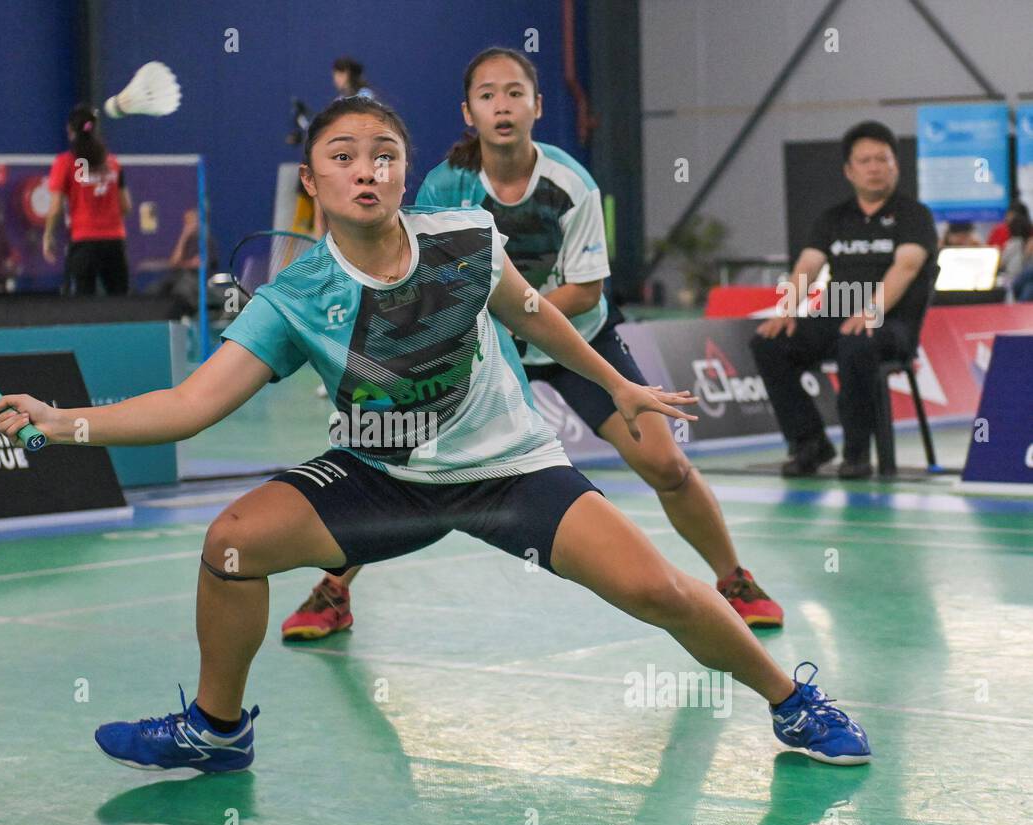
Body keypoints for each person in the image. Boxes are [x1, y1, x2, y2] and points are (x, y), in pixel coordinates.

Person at [0, 96, 872, 770]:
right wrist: (61, 424)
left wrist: (617, 384)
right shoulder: (293, 297)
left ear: (406, 172)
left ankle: (790, 699)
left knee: (660, 592)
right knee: (230, 544)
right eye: (343, 157)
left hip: (511, 468)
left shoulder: (465, 239)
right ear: (314, 182)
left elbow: (535, 318)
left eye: (384, 155)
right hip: (380, 477)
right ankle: (217, 731)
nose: (366, 170)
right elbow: (193, 404)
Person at [282, 48, 783, 642]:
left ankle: (733, 579)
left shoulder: (571, 183)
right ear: (468, 112)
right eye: (488, 95)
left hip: (574, 338)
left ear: (537, 107)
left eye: (515, 93)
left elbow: (585, 288)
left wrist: (508, 317)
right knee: (404, 458)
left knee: (665, 463)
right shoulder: (449, 185)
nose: (502, 105)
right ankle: (334, 589)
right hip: (477, 348)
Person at [751, 120, 937, 479]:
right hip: (836, 315)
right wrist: (786, 311)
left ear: (895, 166)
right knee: (768, 343)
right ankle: (810, 444)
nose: (874, 168)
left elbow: (908, 266)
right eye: (864, 161)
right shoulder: (833, 219)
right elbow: (807, 266)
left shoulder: (914, 216)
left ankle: (856, 453)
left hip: (890, 324)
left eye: (882, 159)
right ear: (849, 171)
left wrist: (872, 312)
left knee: (856, 342)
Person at [44, 105, 131, 295]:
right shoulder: (113, 162)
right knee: (122, 306)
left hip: (84, 242)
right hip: (115, 242)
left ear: (70, 130)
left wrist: (48, 235)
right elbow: (126, 206)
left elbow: (56, 207)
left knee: (82, 309)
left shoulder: (65, 162)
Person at [154, 208, 221, 321]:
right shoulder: (186, 241)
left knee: (181, 290)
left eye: (191, 222)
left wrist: (182, 264)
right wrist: (183, 237)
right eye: (186, 222)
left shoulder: (206, 241)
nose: (188, 226)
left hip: (197, 281)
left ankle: (181, 318)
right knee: (156, 289)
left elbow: (198, 264)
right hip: (179, 277)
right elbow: (174, 263)